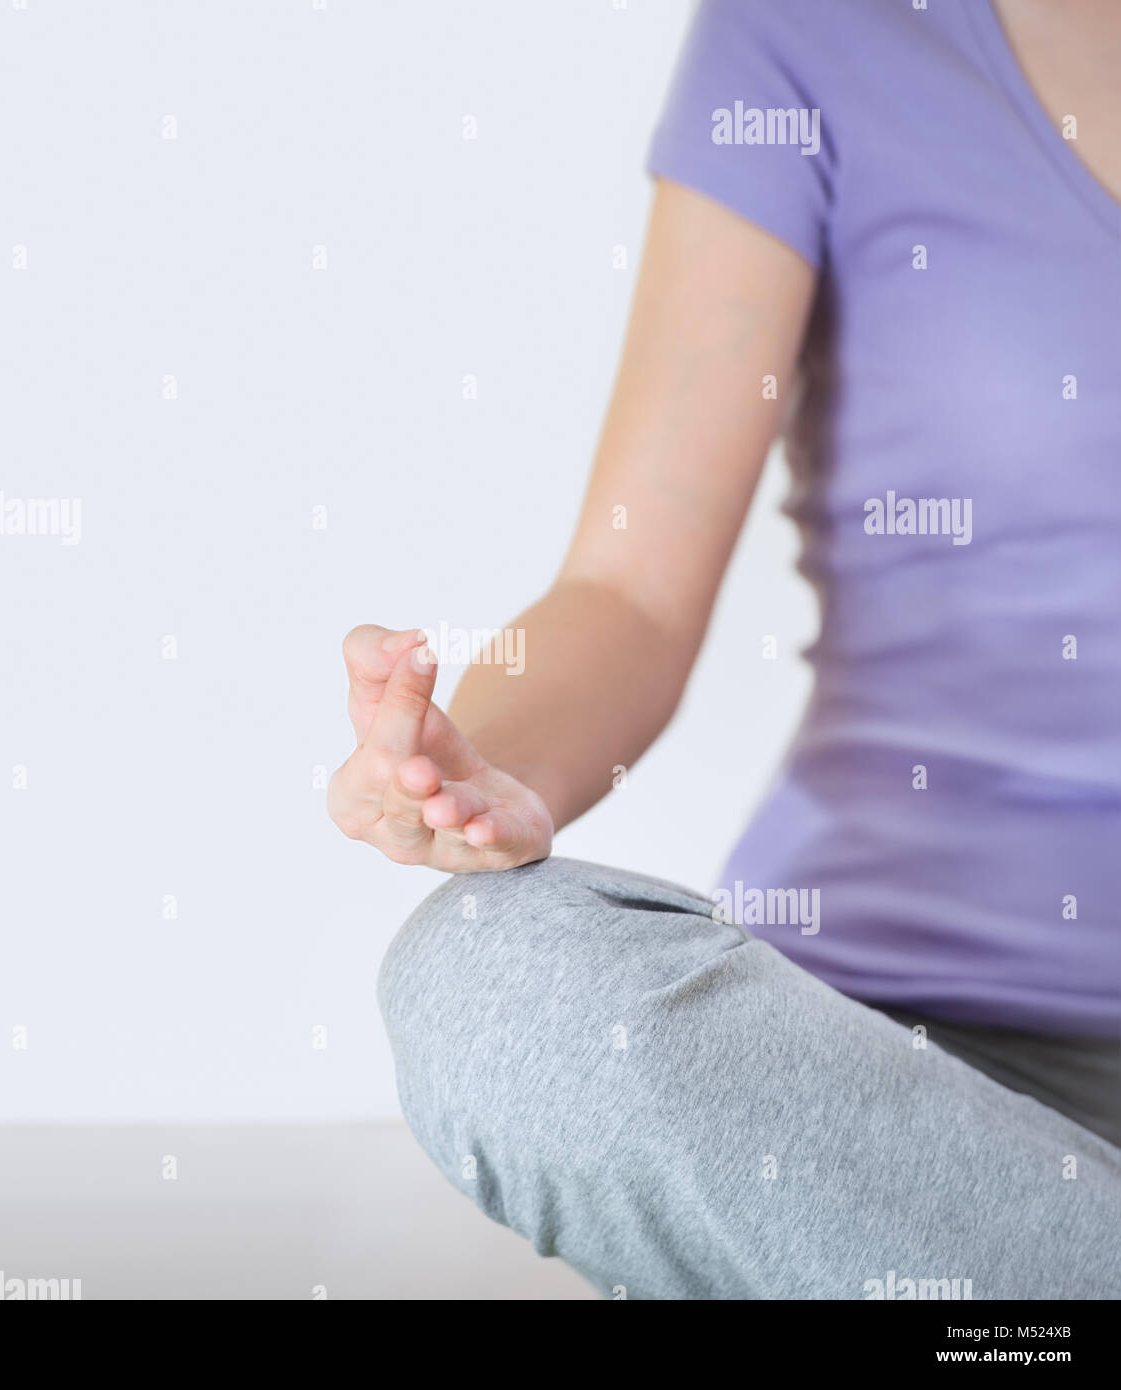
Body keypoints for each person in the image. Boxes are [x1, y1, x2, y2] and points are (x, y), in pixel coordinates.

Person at [328, 0, 1121, 1298]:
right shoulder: (807, 33)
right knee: (491, 979)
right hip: (889, 1083)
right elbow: (626, 591)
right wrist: (489, 770)